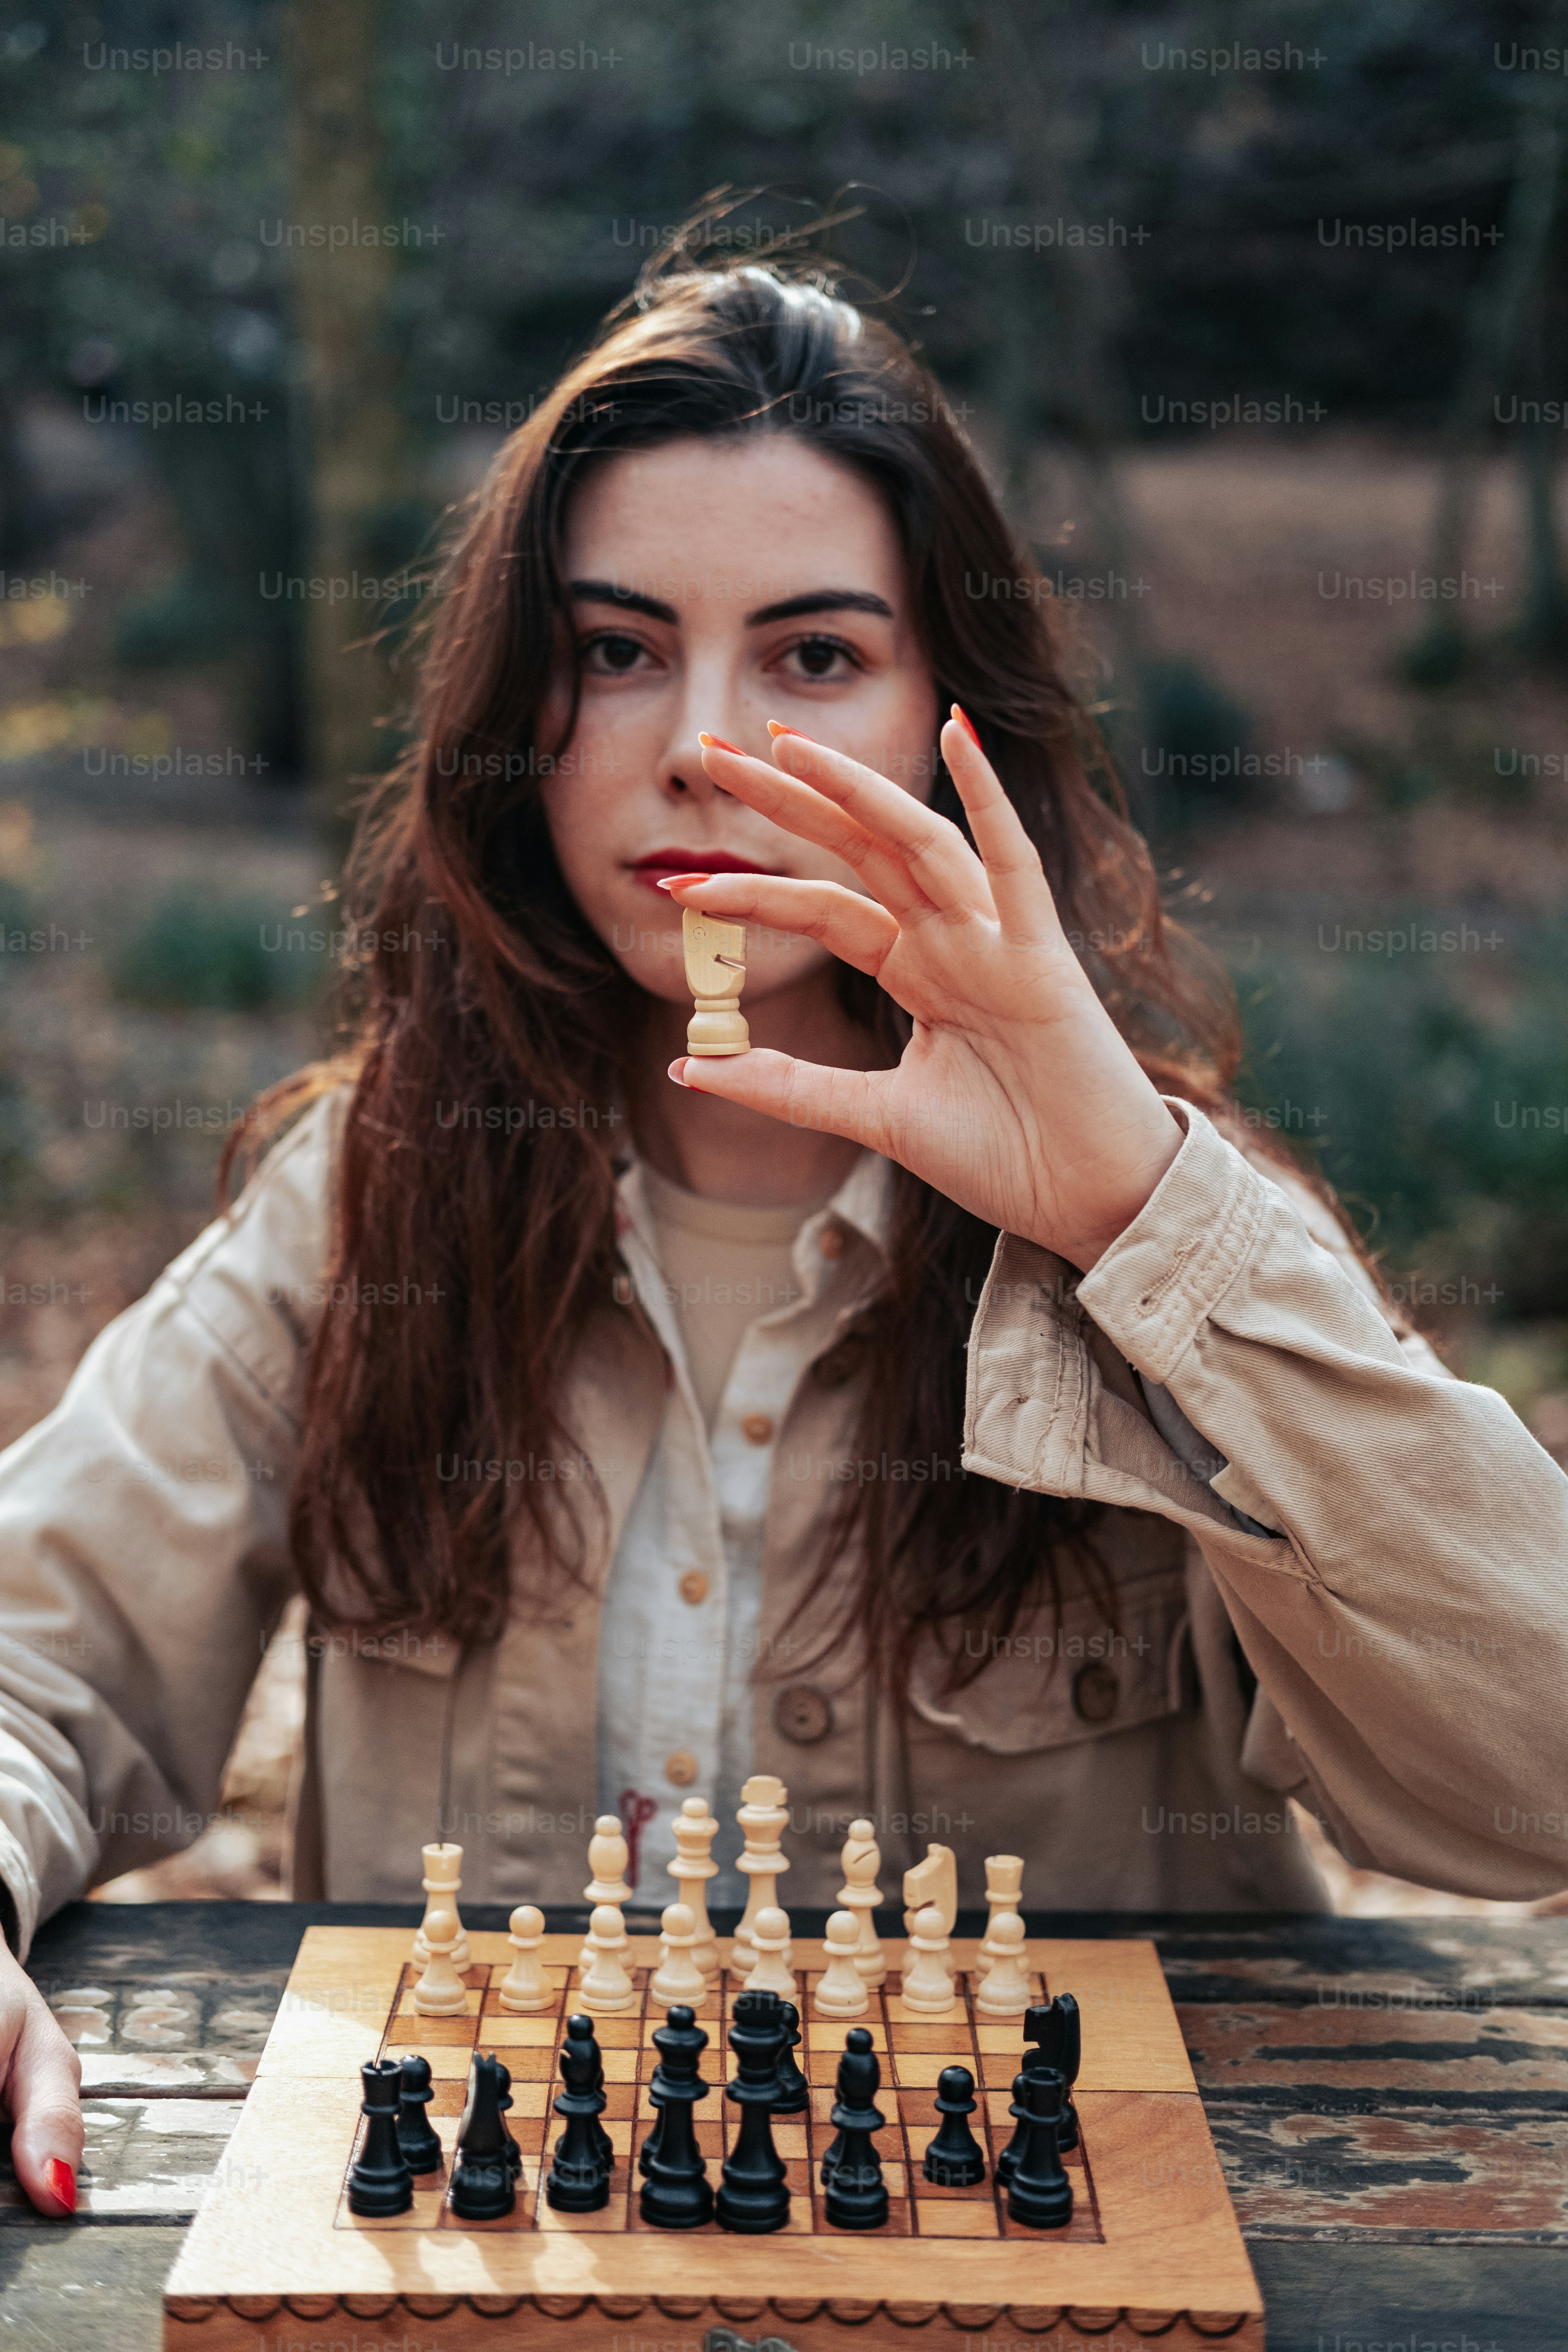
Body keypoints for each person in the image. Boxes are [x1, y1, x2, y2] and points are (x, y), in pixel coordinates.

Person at [0, 255, 1562, 2214]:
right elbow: (33, 1657)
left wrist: (1137, 1214)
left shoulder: (1170, 1243)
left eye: (814, 656)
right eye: (619, 650)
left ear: (948, 716)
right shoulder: (364, 1204)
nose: (700, 748)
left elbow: (1537, 1766)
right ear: (521, 715)